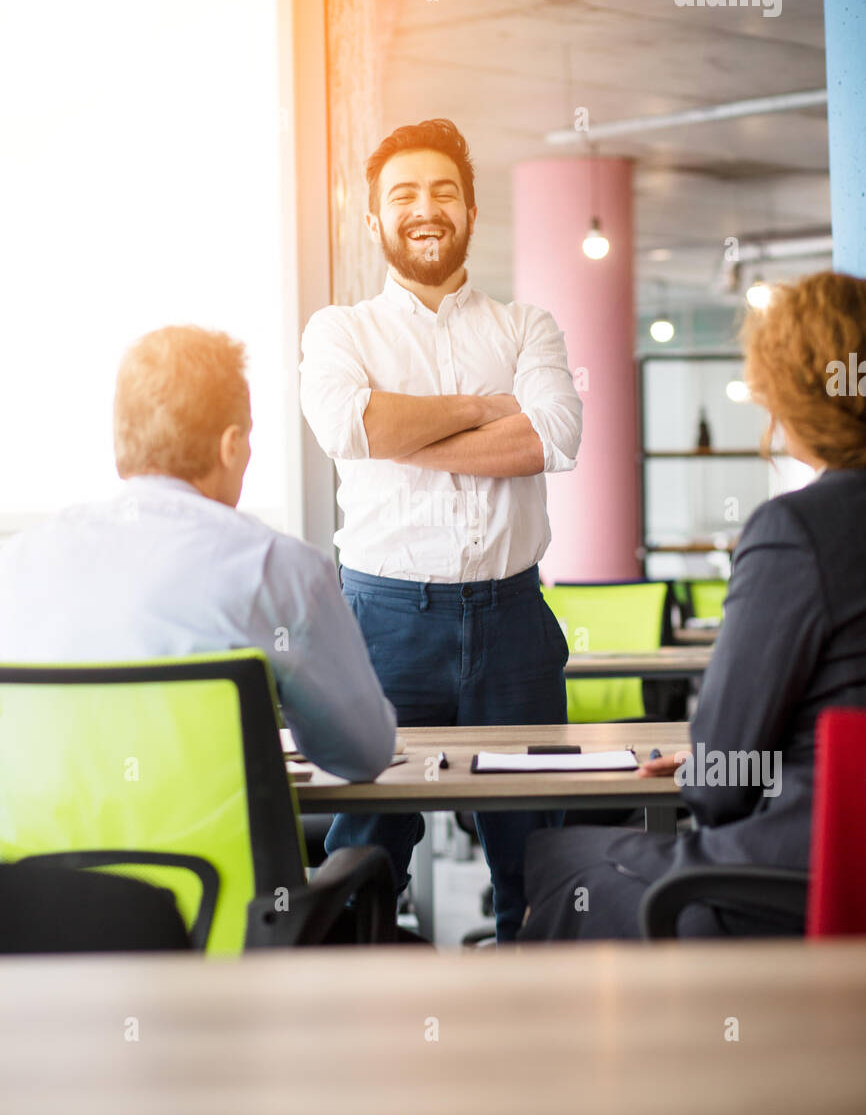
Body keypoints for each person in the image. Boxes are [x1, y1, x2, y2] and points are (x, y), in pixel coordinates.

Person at [519, 270, 866, 941]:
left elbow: (717, 790)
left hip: (812, 877)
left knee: (563, 859)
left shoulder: (796, 531)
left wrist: (726, 758)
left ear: (788, 394)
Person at [300, 118, 582, 940]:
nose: (425, 208)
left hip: (513, 621)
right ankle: (370, 1027)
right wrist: (480, 412)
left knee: (537, 856)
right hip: (383, 624)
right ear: (375, 218)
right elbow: (346, 428)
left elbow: (551, 437)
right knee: (365, 850)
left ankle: (536, 1023)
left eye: (442, 192)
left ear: (470, 210)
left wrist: (403, 431)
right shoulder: (340, 331)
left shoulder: (527, 327)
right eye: (404, 195)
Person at [0, 325, 396, 784]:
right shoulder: (280, 568)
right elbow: (362, 753)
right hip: (210, 858)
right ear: (230, 446)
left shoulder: (19, 562)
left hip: (41, 852)